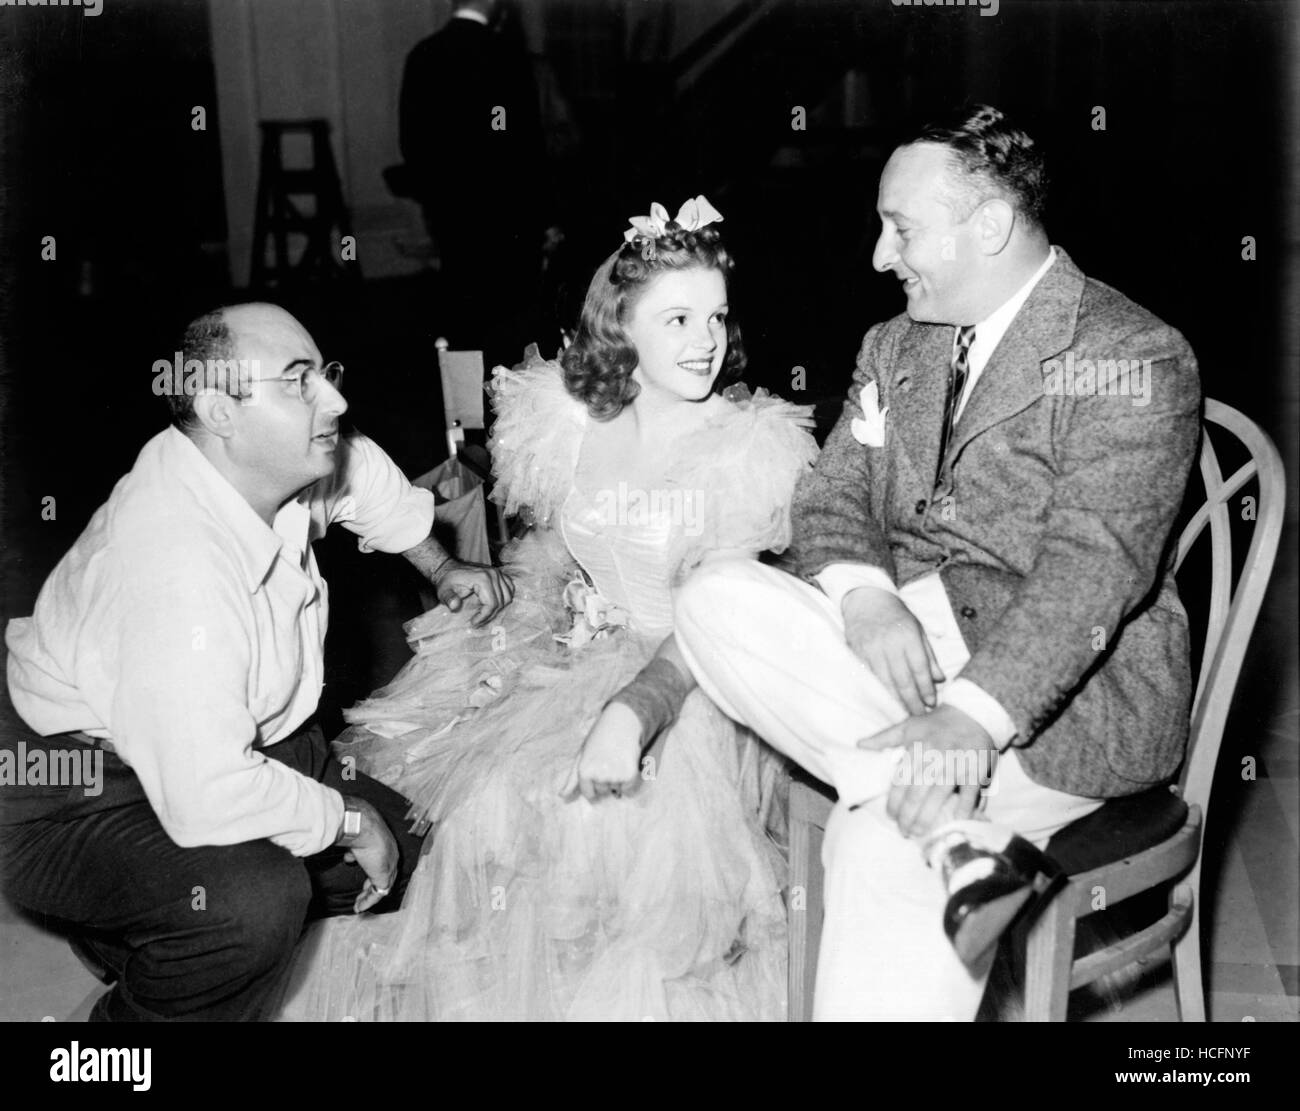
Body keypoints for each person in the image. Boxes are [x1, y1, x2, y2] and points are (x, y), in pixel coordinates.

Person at [674, 105, 1202, 1021]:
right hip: (905, 647)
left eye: (902, 228)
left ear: (989, 225)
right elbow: (832, 499)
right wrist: (867, 599)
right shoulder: (896, 344)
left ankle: (946, 829)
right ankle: (963, 839)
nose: (880, 256)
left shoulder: (1127, 355)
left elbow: (1092, 571)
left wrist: (965, 718)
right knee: (712, 597)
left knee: (881, 845)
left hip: (1063, 704)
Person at [276, 198, 818, 1021]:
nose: (705, 340)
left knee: (597, 833)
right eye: (676, 318)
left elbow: (720, 615)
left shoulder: (749, 447)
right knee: (477, 800)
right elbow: (559, 543)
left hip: (694, 684)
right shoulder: (566, 421)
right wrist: (549, 613)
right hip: (578, 645)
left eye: (715, 316)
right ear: (620, 326)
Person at [0, 303, 514, 1021]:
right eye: (298, 381)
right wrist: (348, 820)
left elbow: (362, 474)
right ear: (221, 411)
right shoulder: (176, 565)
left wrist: (442, 562)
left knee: (420, 844)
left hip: (233, 744)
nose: (333, 399)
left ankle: (137, 930)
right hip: (79, 791)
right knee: (256, 901)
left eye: (325, 373)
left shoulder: (277, 458)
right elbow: (208, 786)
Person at [398, 0, 555, 367]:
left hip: (452, 214)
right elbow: (525, 144)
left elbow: (412, 143)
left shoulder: (424, 54)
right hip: (508, 216)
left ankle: (463, 414)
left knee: (462, 321)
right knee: (513, 322)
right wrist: (545, 214)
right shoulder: (505, 54)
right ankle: (507, 409)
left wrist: (439, 197)